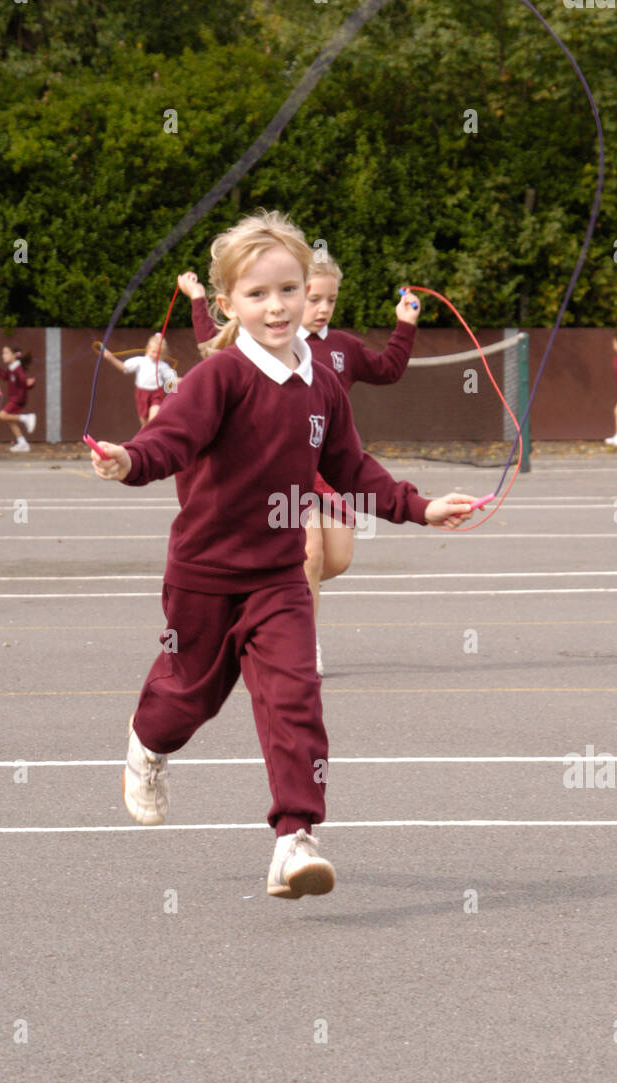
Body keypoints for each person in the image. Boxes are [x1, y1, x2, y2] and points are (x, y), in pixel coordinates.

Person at [90, 210, 481, 900]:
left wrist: (419, 507)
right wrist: (129, 460)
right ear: (227, 304)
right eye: (257, 295)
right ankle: (147, 746)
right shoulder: (218, 379)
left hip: (278, 574)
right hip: (205, 575)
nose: (276, 307)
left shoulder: (324, 385)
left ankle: (294, 839)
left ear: (309, 292)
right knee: (189, 697)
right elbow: (170, 442)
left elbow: (352, 467)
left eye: (289, 291)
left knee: (296, 697)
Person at [176, 255, 420, 674]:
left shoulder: (343, 347)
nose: (322, 307)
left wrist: (406, 324)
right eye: (313, 297)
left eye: (330, 299)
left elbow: (389, 369)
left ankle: (260, 598)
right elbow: (210, 346)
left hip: (331, 465)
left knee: (336, 558)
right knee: (307, 553)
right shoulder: (264, 343)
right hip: (285, 468)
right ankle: (301, 639)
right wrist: (198, 299)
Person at [99, 334, 180, 427]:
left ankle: (151, 433)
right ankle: (144, 437)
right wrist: (110, 358)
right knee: (144, 424)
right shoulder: (140, 361)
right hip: (141, 394)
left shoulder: (163, 365)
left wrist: (179, 381)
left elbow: (171, 382)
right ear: (147, 348)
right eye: (153, 351)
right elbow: (123, 367)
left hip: (156, 394)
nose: (155, 355)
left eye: (158, 353)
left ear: (163, 354)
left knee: (153, 420)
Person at [0, 346, 37, 452]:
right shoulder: (12, 368)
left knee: (2, 415)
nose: (3, 356)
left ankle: (27, 418)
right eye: (3, 353)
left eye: (6, 353)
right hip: (15, 398)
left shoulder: (18, 368)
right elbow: (5, 376)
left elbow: (23, 380)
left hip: (18, 398)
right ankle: (22, 442)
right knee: (10, 420)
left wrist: (29, 384)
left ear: (15, 355)